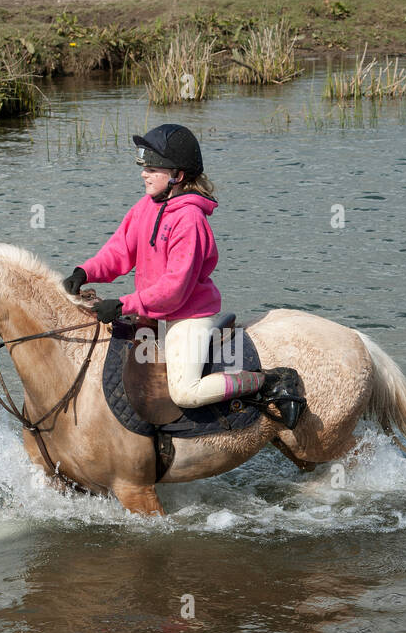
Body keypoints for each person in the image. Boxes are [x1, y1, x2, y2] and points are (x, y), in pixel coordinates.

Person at [62, 123, 303, 428]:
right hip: (154, 314)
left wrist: (123, 304)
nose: (143, 173)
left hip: (188, 318)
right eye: (143, 166)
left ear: (176, 175)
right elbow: (119, 250)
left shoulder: (190, 220)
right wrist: (85, 271)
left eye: (152, 168)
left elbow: (174, 289)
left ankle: (264, 382)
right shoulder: (146, 207)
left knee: (185, 392)